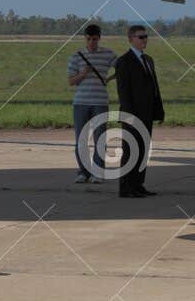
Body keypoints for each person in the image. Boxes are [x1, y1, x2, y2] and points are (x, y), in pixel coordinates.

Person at [114, 23, 165, 198]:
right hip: (132, 115)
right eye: (141, 37)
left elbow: (154, 87)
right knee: (130, 151)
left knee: (143, 150)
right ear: (131, 39)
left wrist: (159, 111)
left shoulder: (148, 60)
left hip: (147, 114)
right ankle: (126, 187)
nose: (145, 40)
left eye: (146, 37)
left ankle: (138, 184)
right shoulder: (123, 61)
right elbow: (123, 92)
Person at [67, 23, 117, 181]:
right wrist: (83, 73)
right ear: (85, 38)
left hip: (100, 102)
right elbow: (71, 81)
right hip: (81, 102)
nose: (91, 42)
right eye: (88, 39)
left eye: (94, 39)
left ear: (99, 38)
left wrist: (108, 78)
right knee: (81, 139)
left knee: (100, 138)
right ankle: (83, 172)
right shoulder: (76, 56)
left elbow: (122, 67)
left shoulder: (108, 54)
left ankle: (98, 171)